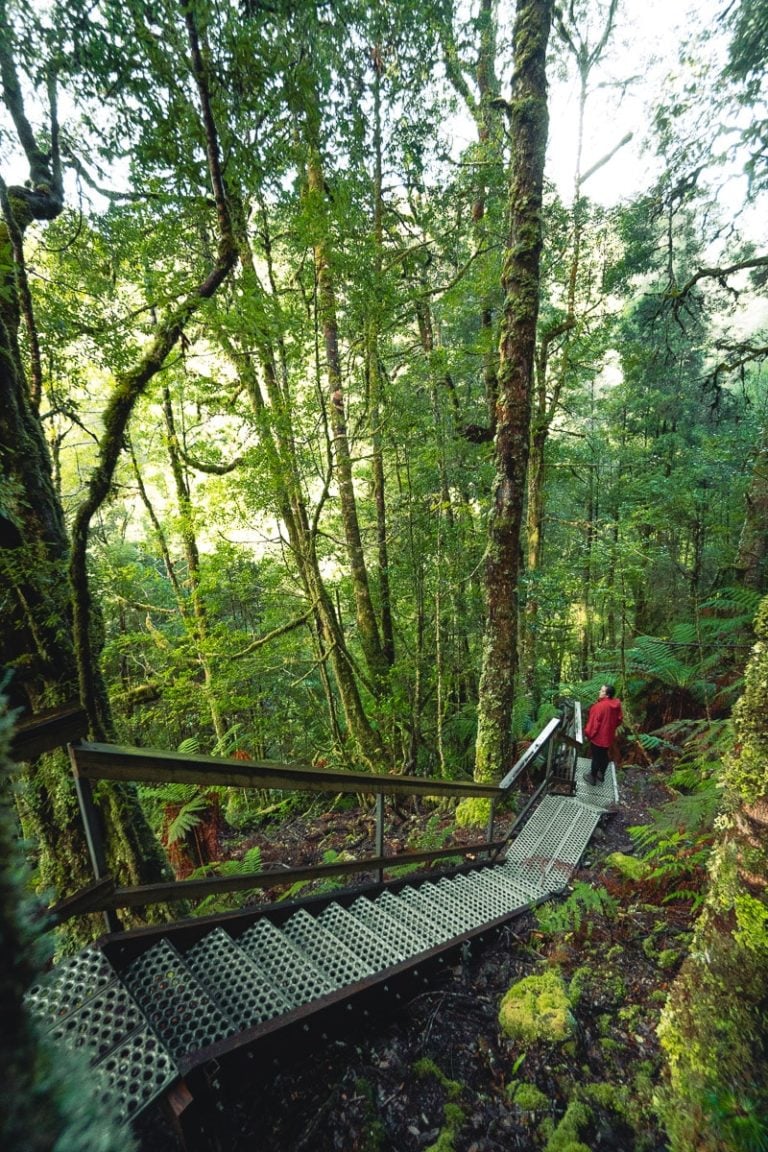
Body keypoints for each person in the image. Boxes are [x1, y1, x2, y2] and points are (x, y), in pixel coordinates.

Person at [584, 683, 622, 784]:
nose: (599, 692)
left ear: (607, 695)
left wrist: (588, 734)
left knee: (596, 757)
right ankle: (601, 774)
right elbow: (619, 720)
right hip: (609, 736)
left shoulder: (598, 707)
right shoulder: (616, 705)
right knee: (604, 755)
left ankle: (592, 777)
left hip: (598, 738)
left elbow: (593, 725)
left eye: (601, 691)